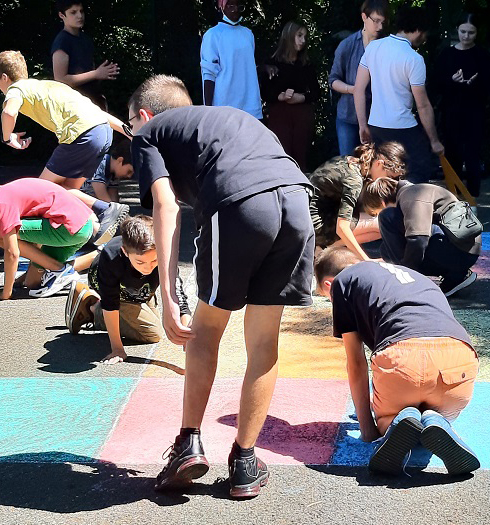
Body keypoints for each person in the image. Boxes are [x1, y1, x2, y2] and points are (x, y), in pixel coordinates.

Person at [127, 75, 314, 498]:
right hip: (298, 202)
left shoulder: (148, 134)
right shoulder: (223, 120)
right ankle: (245, 461)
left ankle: (188, 443)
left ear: (143, 116)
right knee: (264, 339)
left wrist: (169, 294)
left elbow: (165, 205)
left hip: (240, 201)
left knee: (207, 328)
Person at [315, 246, 480, 475]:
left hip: (404, 362)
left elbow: (356, 363)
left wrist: (368, 430)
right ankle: (436, 418)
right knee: (434, 413)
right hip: (458, 360)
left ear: (328, 285)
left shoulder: (342, 281)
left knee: (391, 428)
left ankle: (395, 423)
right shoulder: (414, 275)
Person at [0, 51, 130, 244]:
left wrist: (7, 138)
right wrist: (129, 132)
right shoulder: (50, 86)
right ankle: (100, 234)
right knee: (65, 193)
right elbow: (97, 113)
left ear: (4, 77)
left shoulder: (16, 88)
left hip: (81, 135)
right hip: (102, 133)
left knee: (40, 191)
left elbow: (8, 112)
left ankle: (106, 209)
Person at [66, 215, 193, 364]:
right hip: (111, 287)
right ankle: (92, 309)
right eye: (140, 262)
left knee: (164, 322)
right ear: (125, 252)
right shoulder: (113, 259)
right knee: (152, 333)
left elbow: (179, 297)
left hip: (139, 289)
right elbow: (111, 305)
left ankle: (121, 304)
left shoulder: (165, 255)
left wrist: (188, 336)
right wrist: (117, 349)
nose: (148, 267)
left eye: (154, 260)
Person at [0, 179, 98, 299]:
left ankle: (59, 269)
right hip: (79, 227)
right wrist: (22, 278)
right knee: (32, 282)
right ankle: (97, 256)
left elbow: (12, 252)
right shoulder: (0, 193)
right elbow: (35, 239)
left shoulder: (0, 204)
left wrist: (6, 292)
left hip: (69, 228)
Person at [354, 5, 443, 183]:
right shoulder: (414, 59)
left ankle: (387, 210)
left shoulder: (373, 48)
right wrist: (434, 141)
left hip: (376, 125)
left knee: (384, 176)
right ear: (418, 30)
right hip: (403, 128)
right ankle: (413, 208)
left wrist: (362, 125)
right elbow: (423, 105)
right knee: (417, 172)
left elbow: (358, 89)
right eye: (425, 33)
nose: (425, 38)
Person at [363, 178, 481, 296]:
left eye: (375, 213)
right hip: (464, 249)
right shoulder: (413, 191)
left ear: (382, 203)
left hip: (459, 251)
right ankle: (455, 276)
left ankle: (406, 281)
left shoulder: (411, 195)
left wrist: (405, 275)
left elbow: (419, 239)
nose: (376, 217)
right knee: (386, 250)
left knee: (387, 217)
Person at [432, 13, 490, 198]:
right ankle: (453, 195)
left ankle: (473, 195)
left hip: (475, 111)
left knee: (473, 154)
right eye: (463, 32)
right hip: (451, 111)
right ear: (457, 31)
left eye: (471, 32)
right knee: (452, 154)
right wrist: (452, 81)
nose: (466, 36)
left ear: (476, 33)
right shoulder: (447, 55)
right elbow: (436, 84)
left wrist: (475, 83)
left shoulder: (483, 56)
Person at [308, 141, 407, 259]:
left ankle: (324, 249)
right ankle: (324, 251)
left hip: (312, 216)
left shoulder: (352, 162)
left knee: (376, 221)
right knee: (382, 224)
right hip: (316, 224)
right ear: (379, 164)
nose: (388, 181)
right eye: (389, 176)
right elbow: (342, 228)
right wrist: (365, 260)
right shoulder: (354, 180)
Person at [328, 0, 387, 156]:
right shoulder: (347, 45)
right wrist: (353, 89)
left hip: (377, 119)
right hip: (348, 116)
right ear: (364, 17)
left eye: (383, 22)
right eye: (376, 21)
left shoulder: (386, 46)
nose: (380, 27)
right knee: (348, 167)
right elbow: (333, 80)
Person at [261, 21, 318, 171]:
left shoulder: (306, 64)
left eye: (305, 36)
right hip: (279, 115)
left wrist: (302, 98)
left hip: (302, 114)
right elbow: (264, 92)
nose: (303, 40)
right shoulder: (273, 63)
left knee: (301, 155)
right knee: (281, 154)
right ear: (289, 36)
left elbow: (316, 92)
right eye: (299, 35)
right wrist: (279, 96)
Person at [50, 0, 119, 110]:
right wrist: (96, 74)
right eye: (73, 12)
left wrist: (104, 74)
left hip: (93, 103)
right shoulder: (62, 41)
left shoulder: (85, 39)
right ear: (61, 15)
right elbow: (60, 79)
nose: (79, 16)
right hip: (75, 107)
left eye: (81, 11)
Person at [200, 0, 263, 118]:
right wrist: (207, 110)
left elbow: (249, 67)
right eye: (231, 6)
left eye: (240, 6)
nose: (236, 10)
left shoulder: (248, 34)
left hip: (250, 106)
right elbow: (209, 74)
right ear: (221, 6)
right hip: (224, 106)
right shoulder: (213, 35)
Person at [84, 136, 135, 203]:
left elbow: (113, 197)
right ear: (120, 160)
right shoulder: (100, 163)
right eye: (129, 171)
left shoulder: (114, 172)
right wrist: (113, 209)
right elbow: (102, 195)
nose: (129, 176)